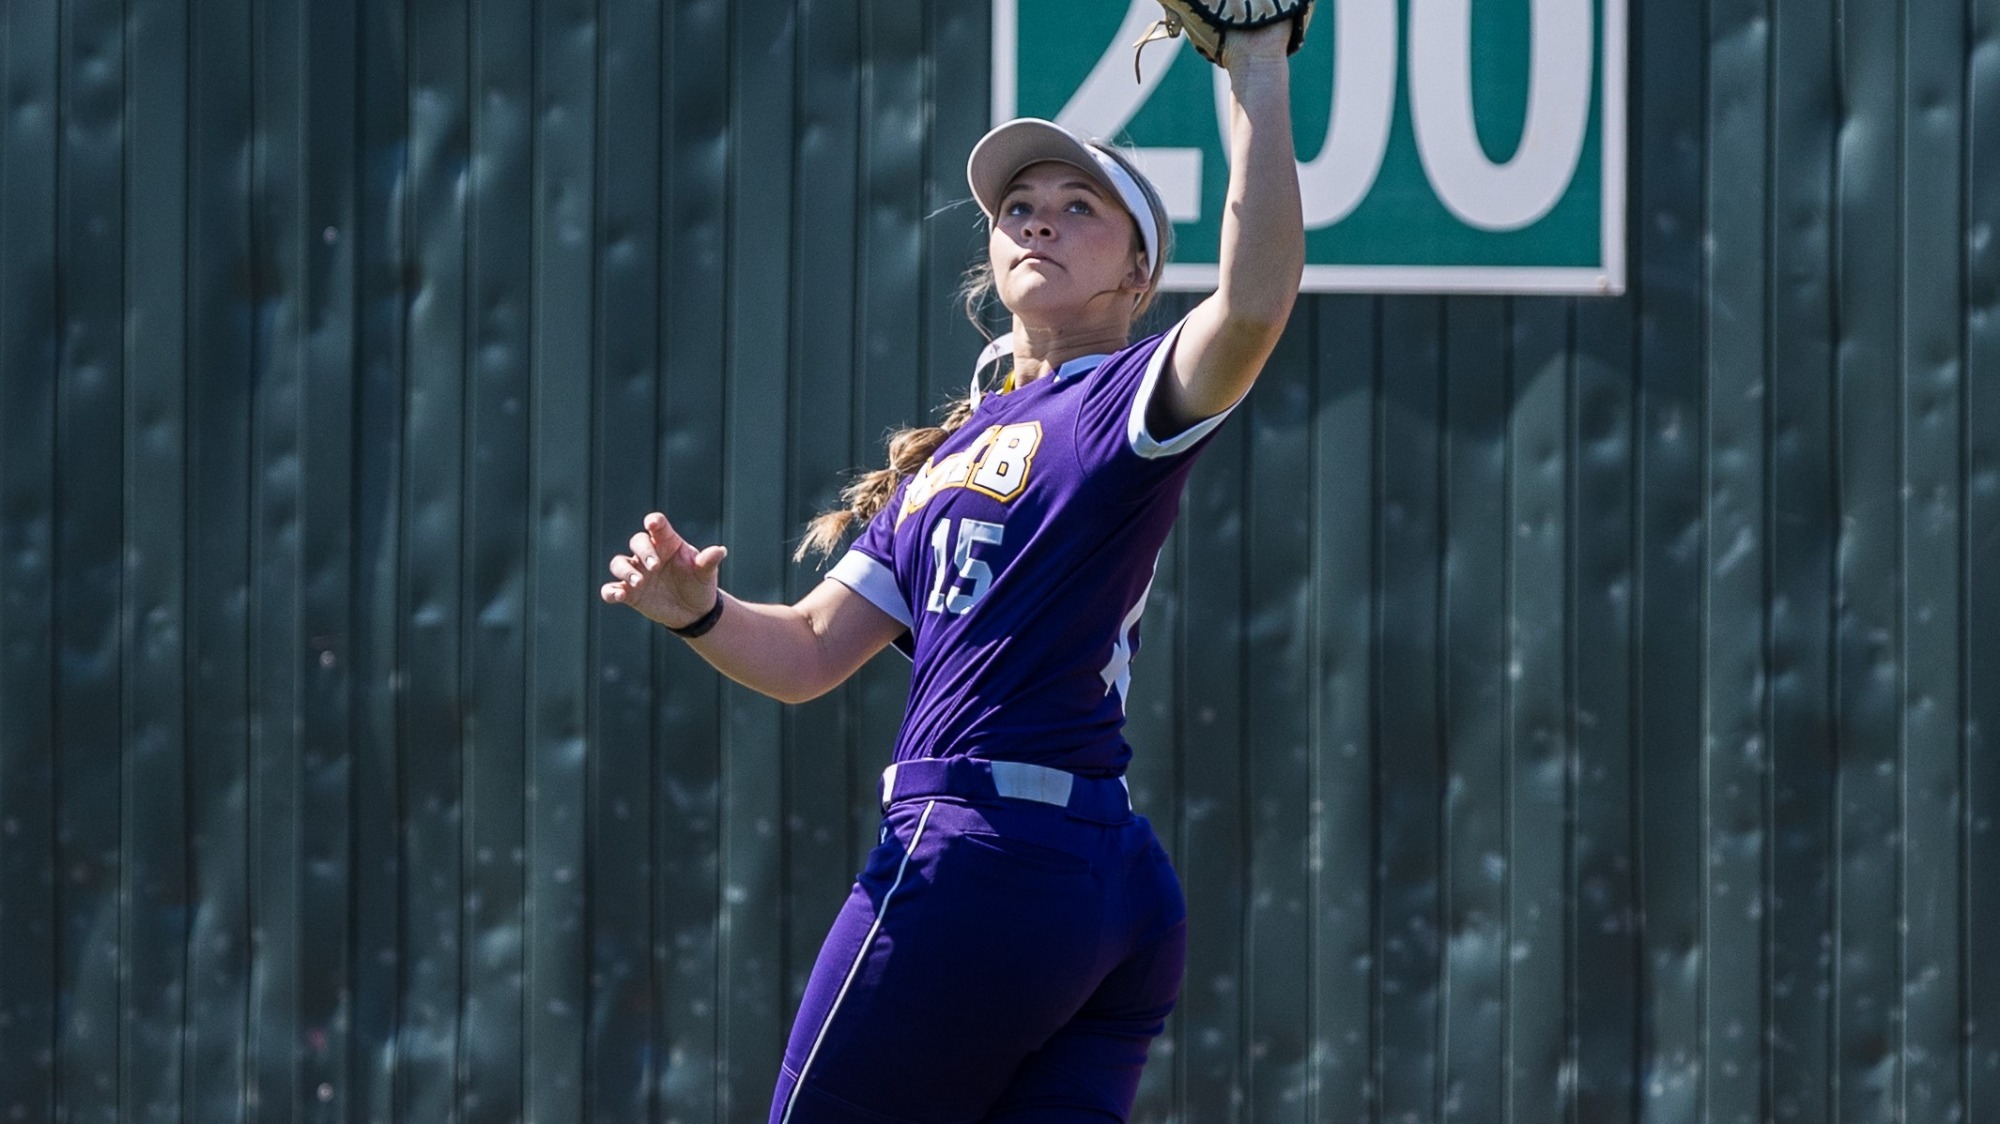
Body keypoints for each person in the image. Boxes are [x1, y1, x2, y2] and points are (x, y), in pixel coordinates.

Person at [601, 21, 1302, 1122]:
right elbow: (809, 653)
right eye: (1020, 206)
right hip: (1096, 883)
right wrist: (701, 611)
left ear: (1137, 274)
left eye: (1080, 206)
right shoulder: (948, 458)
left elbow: (1252, 307)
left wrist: (1256, 71)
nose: (1039, 220)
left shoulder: (1117, 401)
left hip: (981, 854)